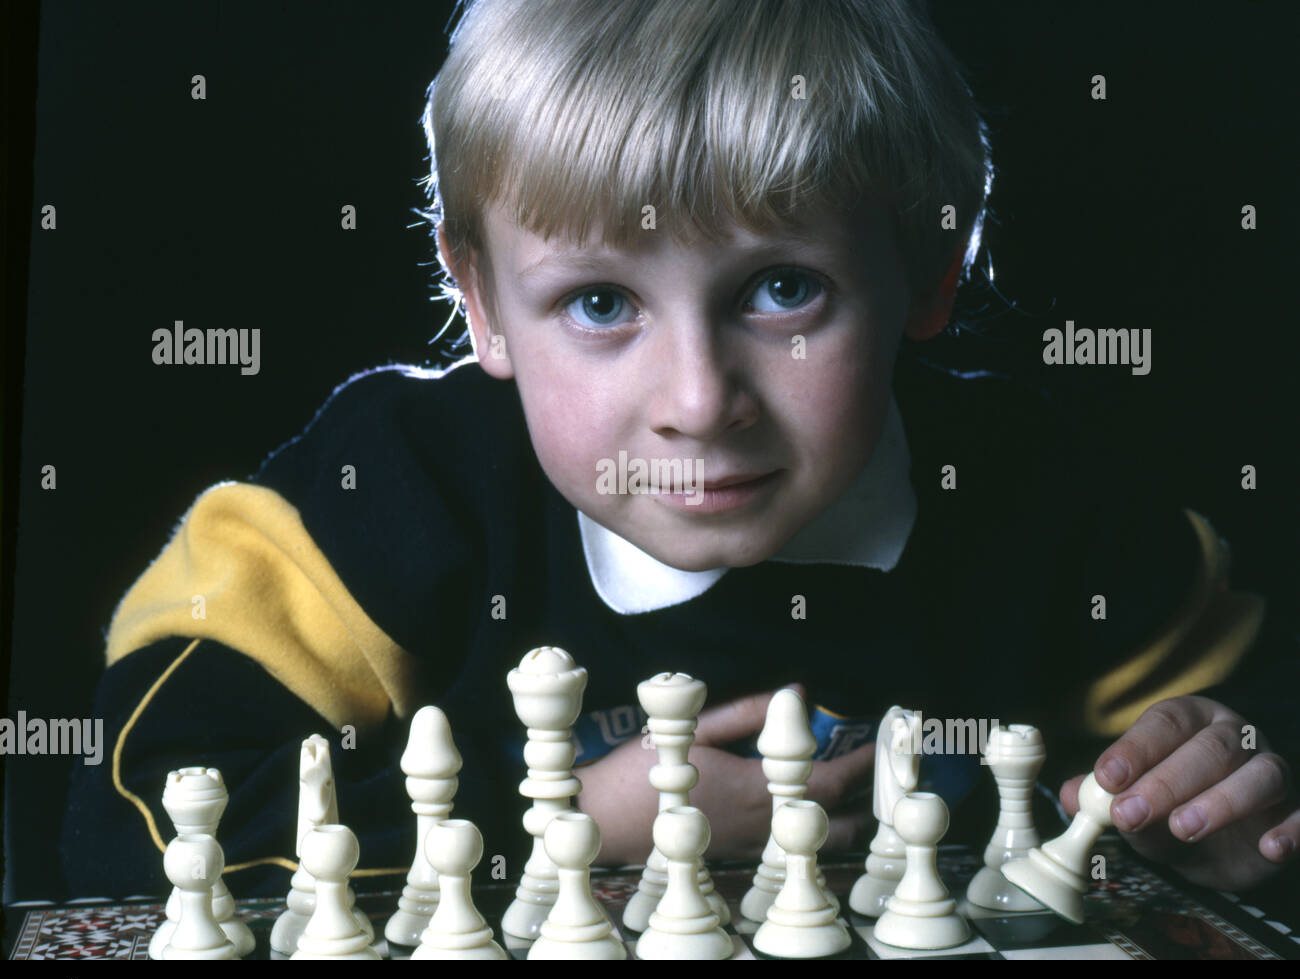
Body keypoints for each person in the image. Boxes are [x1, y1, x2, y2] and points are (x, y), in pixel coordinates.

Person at [63, 0, 1297, 900]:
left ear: (930, 270)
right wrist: (559, 824)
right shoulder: (381, 493)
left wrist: (1222, 807)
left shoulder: (1052, 499)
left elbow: (1240, 738)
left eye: (780, 290)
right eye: (600, 303)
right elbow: (126, 816)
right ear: (482, 299)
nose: (700, 402)